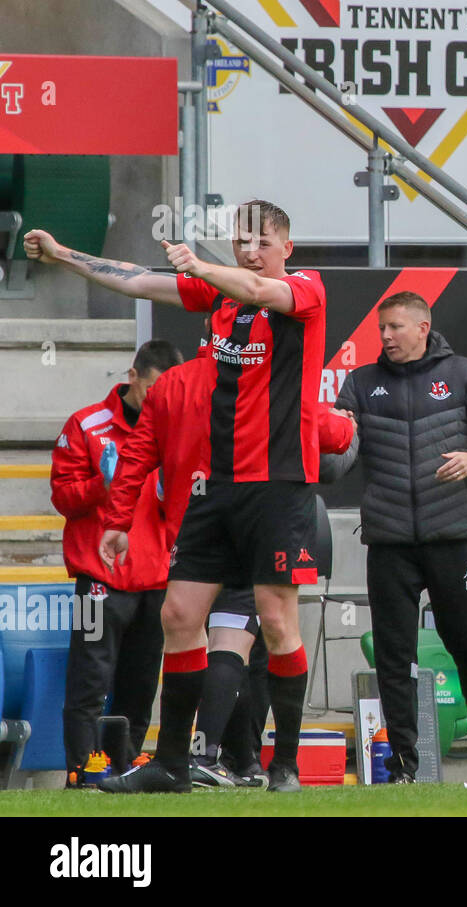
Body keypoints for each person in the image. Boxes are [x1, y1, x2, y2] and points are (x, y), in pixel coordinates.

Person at [29, 198, 328, 794]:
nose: (251, 251)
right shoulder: (217, 298)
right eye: (242, 240)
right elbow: (138, 280)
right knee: (179, 614)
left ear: (287, 248)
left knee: (275, 621)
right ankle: (170, 763)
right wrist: (65, 256)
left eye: (263, 241)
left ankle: (285, 766)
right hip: (216, 490)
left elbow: (261, 291)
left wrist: (201, 266)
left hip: (278, 487)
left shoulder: (305, 289)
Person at [100, 329, 356, 789]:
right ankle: (234, 760)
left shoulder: (173, 385)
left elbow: (136, 453)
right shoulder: (266, 379)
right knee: (245, 642)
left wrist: (118, 518)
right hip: (255, 529)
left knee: (191, 629)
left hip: (193, 533)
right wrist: (347, 425)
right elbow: (329, 434)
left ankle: (201, 760)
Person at [335, 291, 467, 784]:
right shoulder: (360, 383)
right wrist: (331, 435)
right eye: (382, 330)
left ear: (423, 328)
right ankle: (403, 766)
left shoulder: (463, 374)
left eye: (395, 327)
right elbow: (337, 463)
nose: (386, 337)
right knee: (396, 657)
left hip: (452, 537)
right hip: (390, 541)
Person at [53, 339, 182, 785]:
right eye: (152, 391)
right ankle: (82, 766)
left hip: (154, 580)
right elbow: (63, 499)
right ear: (132, 378)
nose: (157, 403)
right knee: (90, 675)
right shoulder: (86, 424)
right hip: (97, 580)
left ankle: (125, 762)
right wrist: (99, 485)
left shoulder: (173, 431)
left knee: (142, 681)